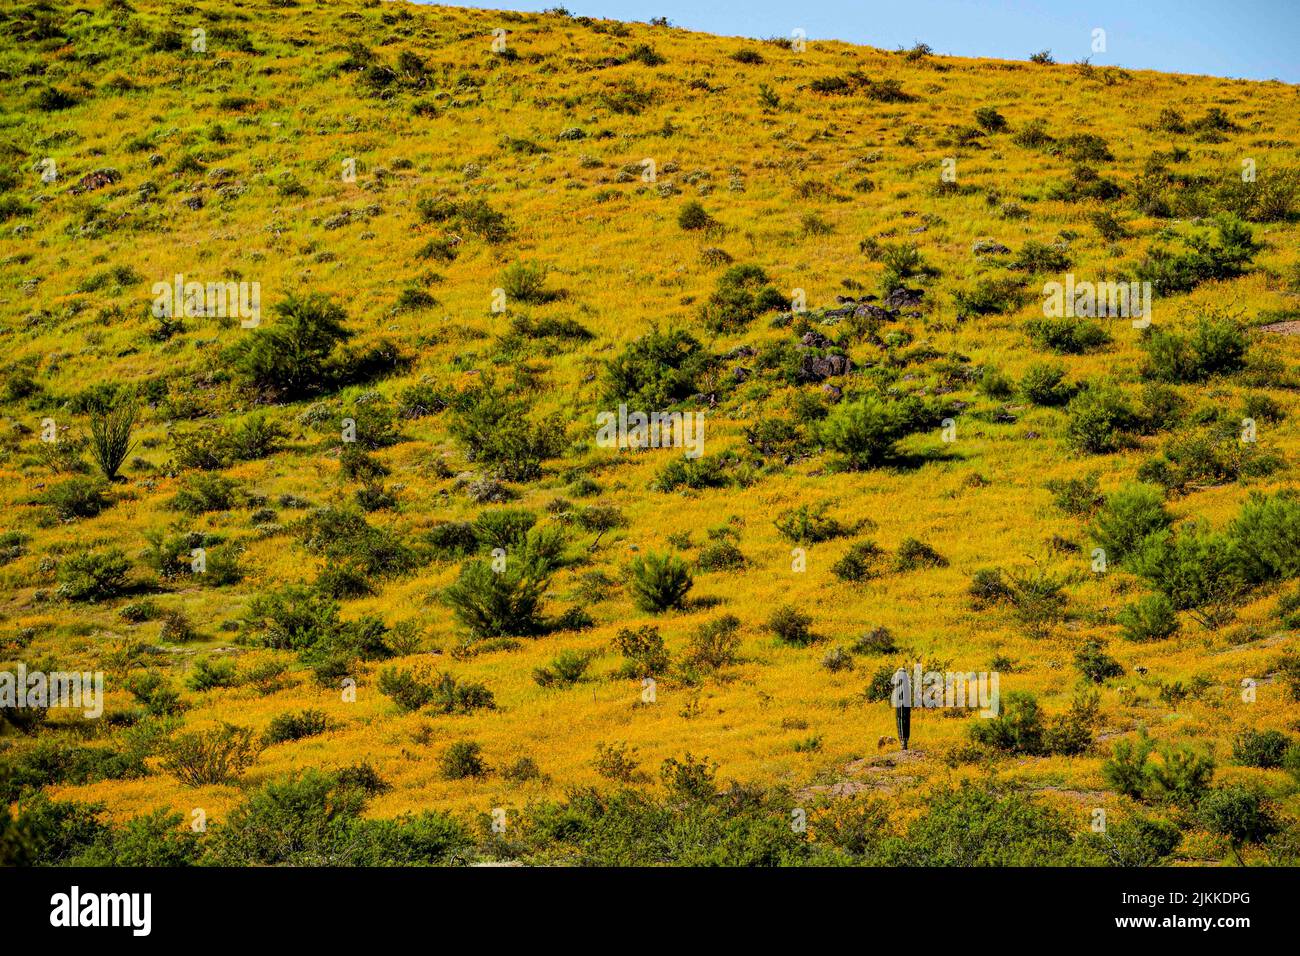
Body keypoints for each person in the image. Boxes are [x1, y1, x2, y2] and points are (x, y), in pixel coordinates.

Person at [891, 666, 912, 751]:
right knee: (903, 717)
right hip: (903, 705)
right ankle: (903, 742)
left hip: (904, 705)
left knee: (903, 717)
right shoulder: (905, 684)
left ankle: (903, 742)